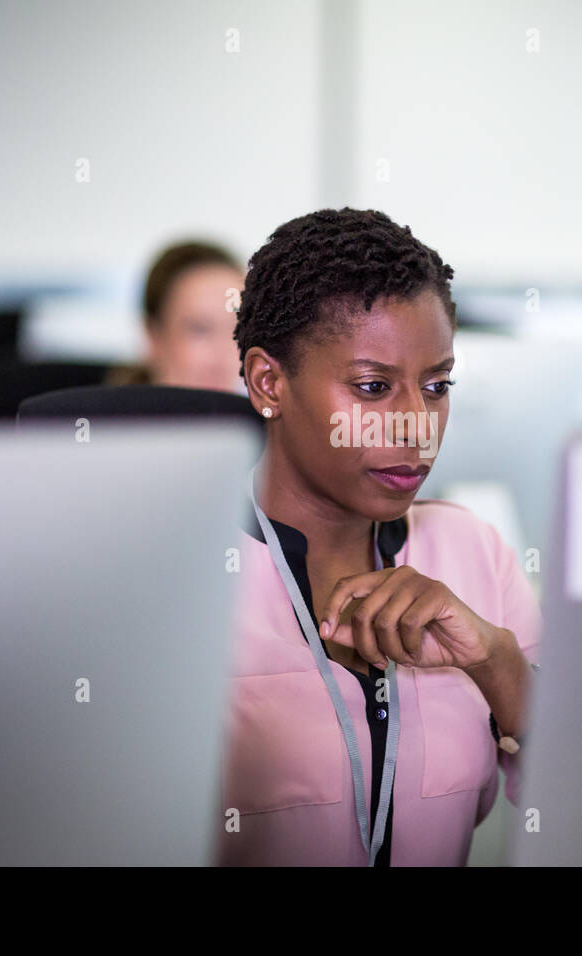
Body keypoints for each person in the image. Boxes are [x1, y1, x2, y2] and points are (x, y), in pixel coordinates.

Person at [218, 208, 541, 866]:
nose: (416, 427)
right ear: (268, 383)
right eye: (373, 388)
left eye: (436, 386)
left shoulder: (475, 553)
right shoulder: (181, 578)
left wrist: (499, 665)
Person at [105, 240, 246, 391]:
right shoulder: (99, 414)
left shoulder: (253, 411)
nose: (224, 356)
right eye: (200, 329)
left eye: (238, 329)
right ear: (153, 336)